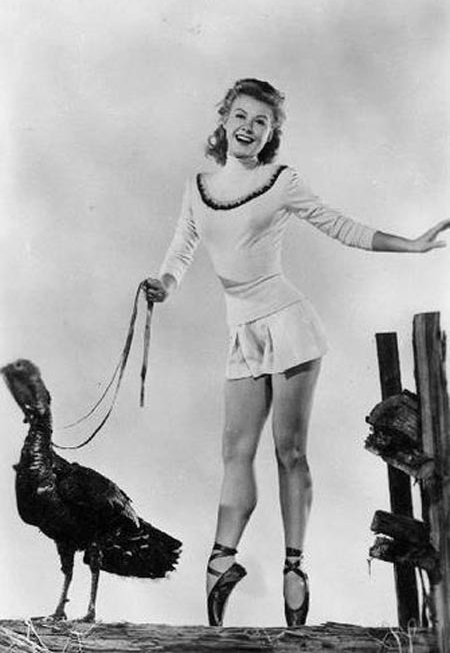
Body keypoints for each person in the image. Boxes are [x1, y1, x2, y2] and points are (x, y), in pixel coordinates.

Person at [143, 78, 449, 628]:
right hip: (241, 331)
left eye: (261, 122)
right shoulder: (198, 186)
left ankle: (294, 569)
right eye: (241, 116)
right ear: (224, 119)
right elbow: (181, 249)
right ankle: (221, 563)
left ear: (271, 134)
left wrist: (411, 244)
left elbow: (339, 225)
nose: (248, 128)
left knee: (290, 452)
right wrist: (163, 285)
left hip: (288, 325)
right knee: (235, 451)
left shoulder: (280, 181)